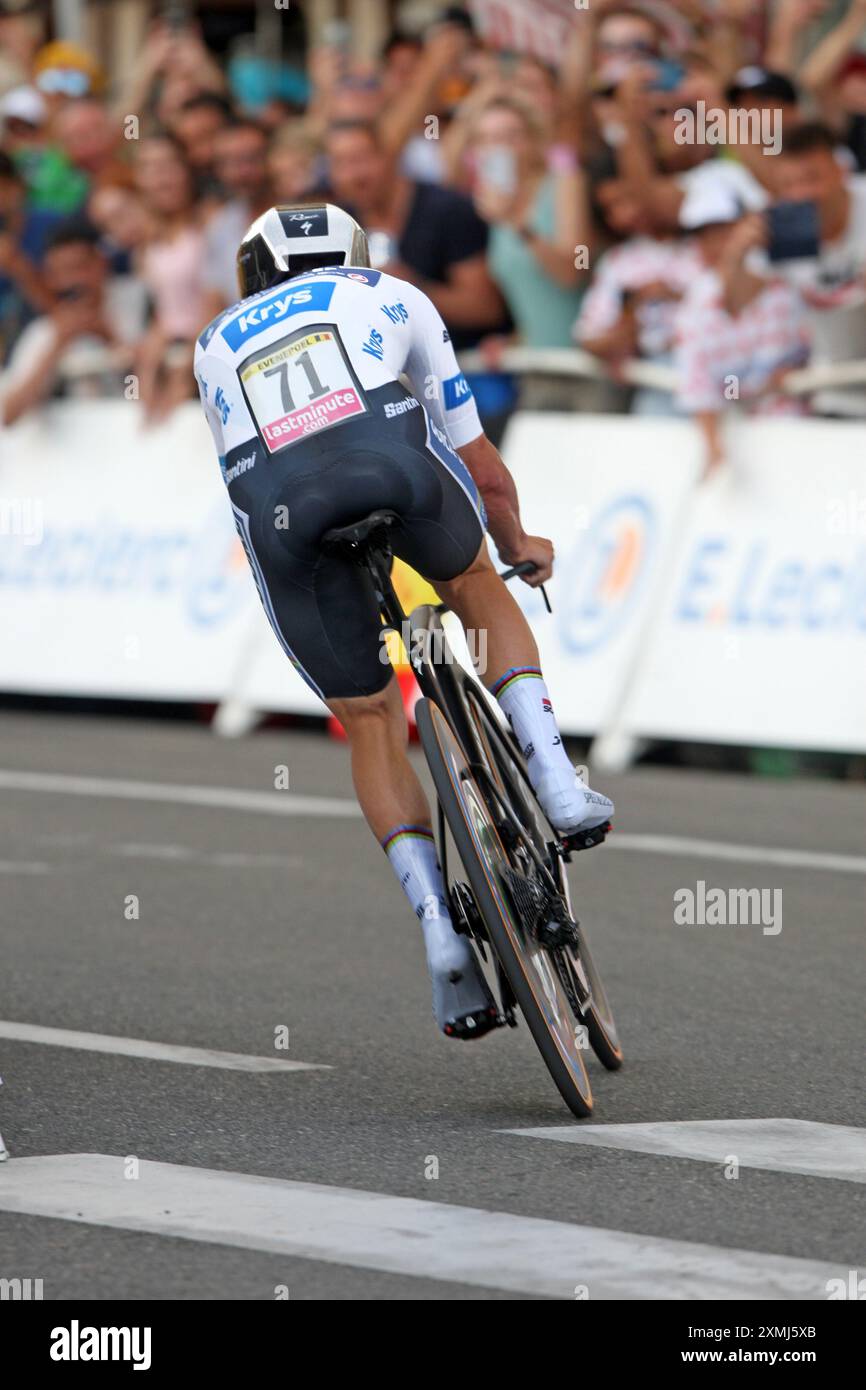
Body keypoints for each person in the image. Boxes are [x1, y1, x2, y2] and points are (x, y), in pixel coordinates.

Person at [194, 203, 614, 1039]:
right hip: (392, 468)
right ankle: (558, 783)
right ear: (351, 252)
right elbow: (477, 462)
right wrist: (516, 541)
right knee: (474, 586)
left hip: (285, 514)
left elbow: (244, 486)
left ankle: (437, 929)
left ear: (252, 271)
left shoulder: (213, 339)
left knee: (371, 716)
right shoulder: (390, 293)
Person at [1, 216, 146, 427]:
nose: (73, 281)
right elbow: (10, 415)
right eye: (61, 272)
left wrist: (111, 340)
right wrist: (56, 347)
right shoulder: (45, 331)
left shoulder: (137, 303)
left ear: (101, 263)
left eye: (80, 267)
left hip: (135, 441)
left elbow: (137, 394)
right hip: (76, 453)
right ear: (50, 277)